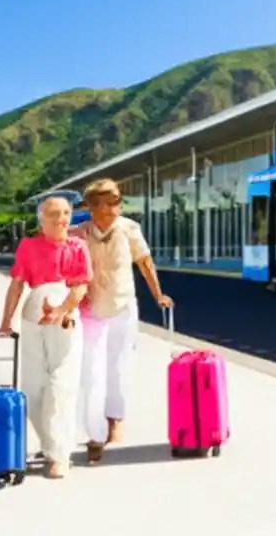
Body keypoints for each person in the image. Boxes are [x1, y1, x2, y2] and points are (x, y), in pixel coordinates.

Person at [72, 178, 173, 464]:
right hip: (91, 309)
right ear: (94, 206)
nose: (116, 205)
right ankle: (94, 428)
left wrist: (158, 294)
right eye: (110, 200)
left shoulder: (129, 229)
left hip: (122, 306)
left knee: (118, 365)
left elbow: (144, 262)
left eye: (117, 199)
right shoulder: (79, 233)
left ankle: (115, 420)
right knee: (92, 370)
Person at [0, 195, 92, 479]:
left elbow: (80, 287)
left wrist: (61, 311)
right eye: (54, 214)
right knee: (34, 387)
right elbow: (16, 285)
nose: (61, 219)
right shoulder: (29, 246)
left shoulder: (78, 247)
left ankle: (59, 455)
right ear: (42, 220)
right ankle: (51, 443)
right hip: (33, 319)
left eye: (65, 213)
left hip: (65, 319)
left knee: (62, 385)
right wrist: (5, 321)